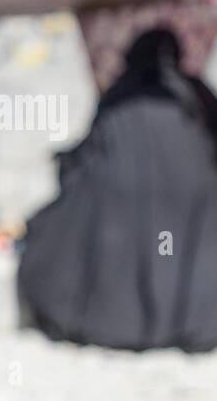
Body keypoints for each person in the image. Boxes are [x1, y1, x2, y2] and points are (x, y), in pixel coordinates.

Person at [18, 28, 217, 352]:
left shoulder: (120, 95)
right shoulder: (194, 97)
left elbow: (87, 157)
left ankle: (119, 324)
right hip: (190, 212)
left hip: (121, 215)